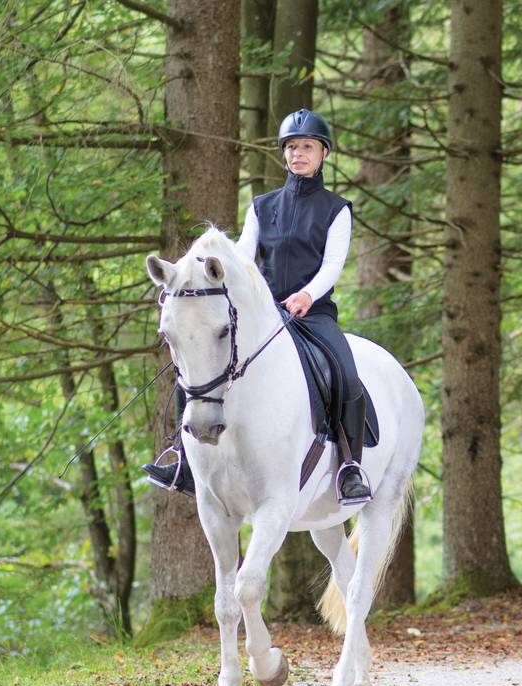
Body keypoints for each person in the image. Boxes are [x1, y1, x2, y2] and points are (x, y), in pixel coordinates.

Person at [143, 108, 371, 504]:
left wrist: (306, 295)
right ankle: (183, 458)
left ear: (323, 154)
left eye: (307, 147)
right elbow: (243, 258)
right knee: (195, 365)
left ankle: (350, 466)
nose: (298, 154)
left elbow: (333, 264)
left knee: (346, 375)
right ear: (284, 154)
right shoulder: (262, 206)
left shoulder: (337, 210)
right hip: (264, 317)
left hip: (312, 314)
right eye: (292, 147)